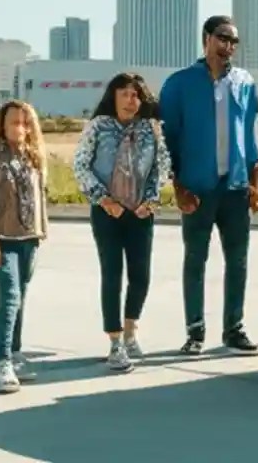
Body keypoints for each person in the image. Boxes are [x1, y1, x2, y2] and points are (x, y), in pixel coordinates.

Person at [159, 15, 258, 356]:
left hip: (235, 189)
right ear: (207, 38)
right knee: (195, 259)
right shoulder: (179, 84)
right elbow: (169, 140)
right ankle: (195, 331)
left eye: (234, 41)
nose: (229, 46)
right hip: (197, 188)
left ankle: (234, 329)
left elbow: (251, 137)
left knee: (238, 261)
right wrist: (178, 187)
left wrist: (255, 182)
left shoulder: (245, 82)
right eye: (223, 38)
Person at [72, 72, 171, 372]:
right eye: (125, 93)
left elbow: (162, 166)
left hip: (140, 211)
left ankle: (131, 332)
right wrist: (103, 200)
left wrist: (151, 200)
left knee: (141, 275)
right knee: (112, 274)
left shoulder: (150, 129)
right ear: (113, 96)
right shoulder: (98, 127)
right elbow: (80, 166)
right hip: (107, 211)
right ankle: (115, 341)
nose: (131, 100)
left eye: (136, 94)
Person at [0, 100, 49, 394]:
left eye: (25, 122)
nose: (20, 128)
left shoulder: (34, 157)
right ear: (2, 126)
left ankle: (15, 354)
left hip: (30, 238)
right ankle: (1, 361)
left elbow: (41, 197)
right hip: (4, 239)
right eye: (14, 123)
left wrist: (42, 230)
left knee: (21, 298)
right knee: (10, 297)